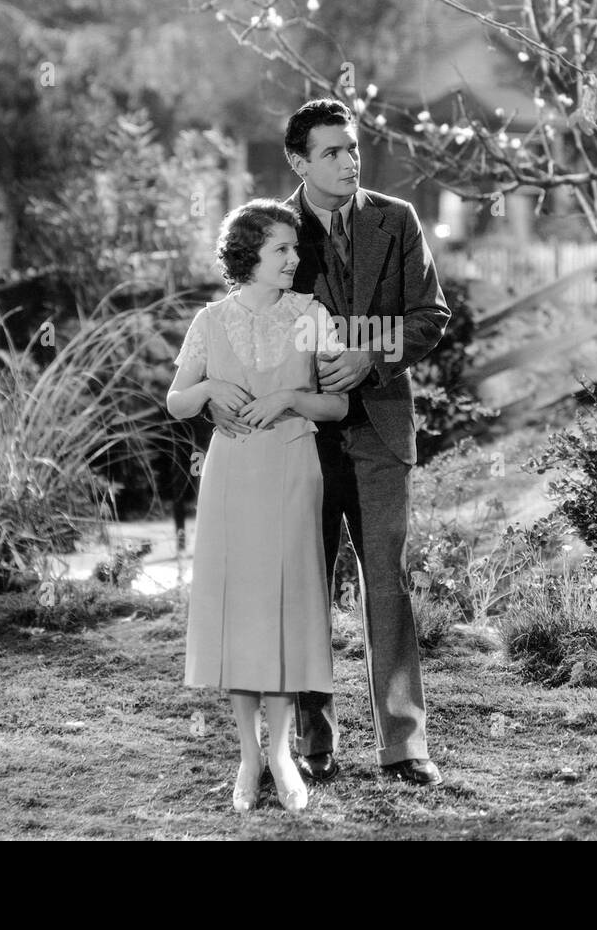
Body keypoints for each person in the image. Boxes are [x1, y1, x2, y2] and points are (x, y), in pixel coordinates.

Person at [207, 99, 451, 786]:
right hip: (299, 437)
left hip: (379, 431)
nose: (349, 161)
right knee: (303, 588)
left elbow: (430, 315)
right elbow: (250, 320)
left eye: (353, 149)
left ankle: (405, 744)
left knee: (388, 584)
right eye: (332, 152)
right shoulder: (274, 231)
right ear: (297, 161)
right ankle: (314, 742)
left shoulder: (397, 220)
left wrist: (369, 357)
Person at [167, 199, 348, 813]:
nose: (295, 259)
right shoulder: (211, 320)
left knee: (285, 608)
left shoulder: (311, 314)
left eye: (295, 249)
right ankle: (249, 754)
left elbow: (339, 407)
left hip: (294, 470)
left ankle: (281, 754)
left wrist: (294, 397)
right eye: (282, 250)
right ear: (248, 256)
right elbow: (176, 402)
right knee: (242, 611)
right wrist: (210, 387)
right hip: (233, 476)